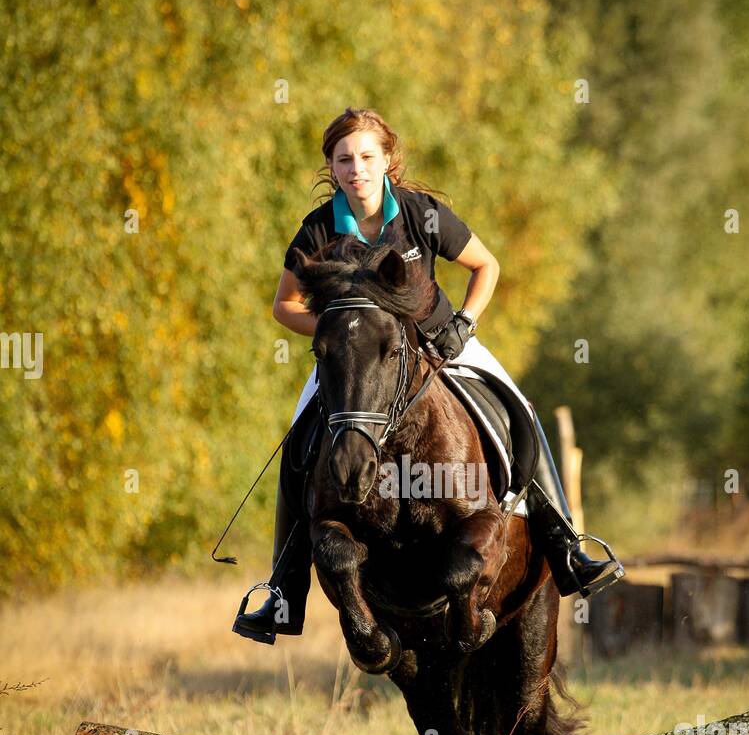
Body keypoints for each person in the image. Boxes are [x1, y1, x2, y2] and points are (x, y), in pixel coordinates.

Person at [233, 107, 624, 644]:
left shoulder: (421, 214)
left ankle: (569, 546)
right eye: (344, 159)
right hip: (359, 364)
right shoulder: (318, 227)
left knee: (522, 411)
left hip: (441, 343)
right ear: (331, 165)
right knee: (298, 441)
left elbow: (487, 267)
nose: (356, 169)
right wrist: (338, 333)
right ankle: (282, 593)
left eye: (367, 157)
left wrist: (466, 321)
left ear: (387, 160)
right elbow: (285, 305)